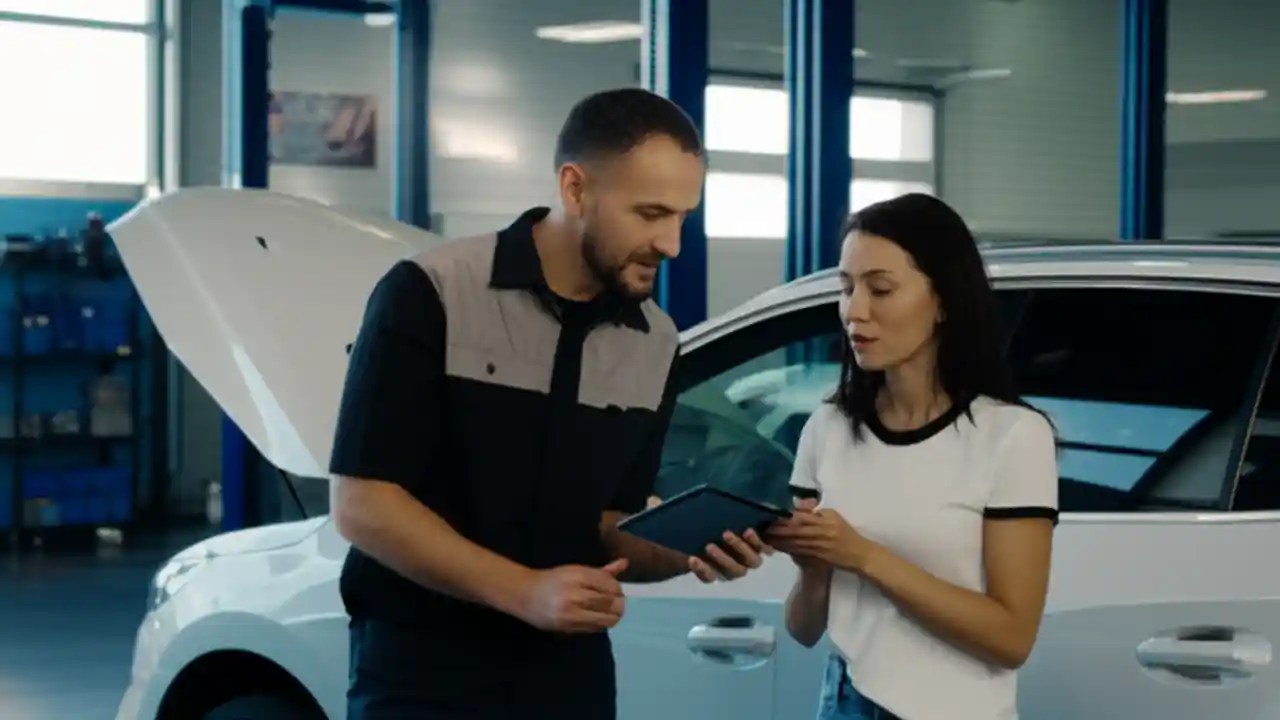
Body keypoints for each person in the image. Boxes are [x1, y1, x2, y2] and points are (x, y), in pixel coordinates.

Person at [326, 87, 769, 720]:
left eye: (682, 216)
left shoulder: (656, 342)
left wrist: (689, 548)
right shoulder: (430, 294)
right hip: (422, 677)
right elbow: (364, 503)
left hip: (569, 681)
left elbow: (608, 525)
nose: (671, 242)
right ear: (574, 188)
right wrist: (524, 592)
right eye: (650, 213)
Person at [767, 193, 1058, 720]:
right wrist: (813, 570)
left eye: (880, 289)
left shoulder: (1012, 436)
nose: (855, 311)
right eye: (846, 288)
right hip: (847, 702)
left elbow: (1012, 637)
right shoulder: (827, 429)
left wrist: (863, 556)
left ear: (944, 299)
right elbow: (804, 629)